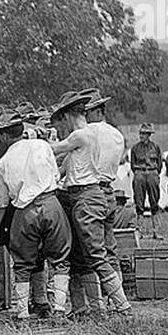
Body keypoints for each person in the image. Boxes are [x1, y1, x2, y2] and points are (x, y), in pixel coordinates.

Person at [50, 90, 133, 317]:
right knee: (93, 253)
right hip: (94, 194)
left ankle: (122, 305)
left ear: (68, 116)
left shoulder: (81, 136)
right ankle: (96, 307)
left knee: (95, 255)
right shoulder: (97, 135)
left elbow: (54, 149)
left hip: (85, 196)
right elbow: (69, 162)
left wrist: (35, 143)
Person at [0, 112, 70, 321]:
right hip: (50, 203)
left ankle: (22, 312)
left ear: (3, 136)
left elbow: (0, 203)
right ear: (22, 129)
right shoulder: (42, 146)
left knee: (23, 264)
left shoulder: (3, 163)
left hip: (24, 211)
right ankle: (59, 309)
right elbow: (56, 175)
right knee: (60, 260)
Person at [85, 92, 127, 297]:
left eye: (86, 111)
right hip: (108, 190)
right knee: (110, 247)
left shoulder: (86, 132)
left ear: (96, 111)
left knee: (91, 250)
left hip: (91, 191)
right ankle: (117, 294)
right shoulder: (117, 134)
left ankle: (100, 298)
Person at [129, 122, 163, 239]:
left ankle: (156, 231)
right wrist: (139, 173)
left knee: (155, 201)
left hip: (152, 173)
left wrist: (154, 172)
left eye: (144, 134)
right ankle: (140, 231)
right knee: (139, 202)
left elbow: (159, 164)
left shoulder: (155, 147)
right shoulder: (135, 148)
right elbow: (133, 165)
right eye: (141, 133)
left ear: (149, 135)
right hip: (139, 174)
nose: (141, 136)